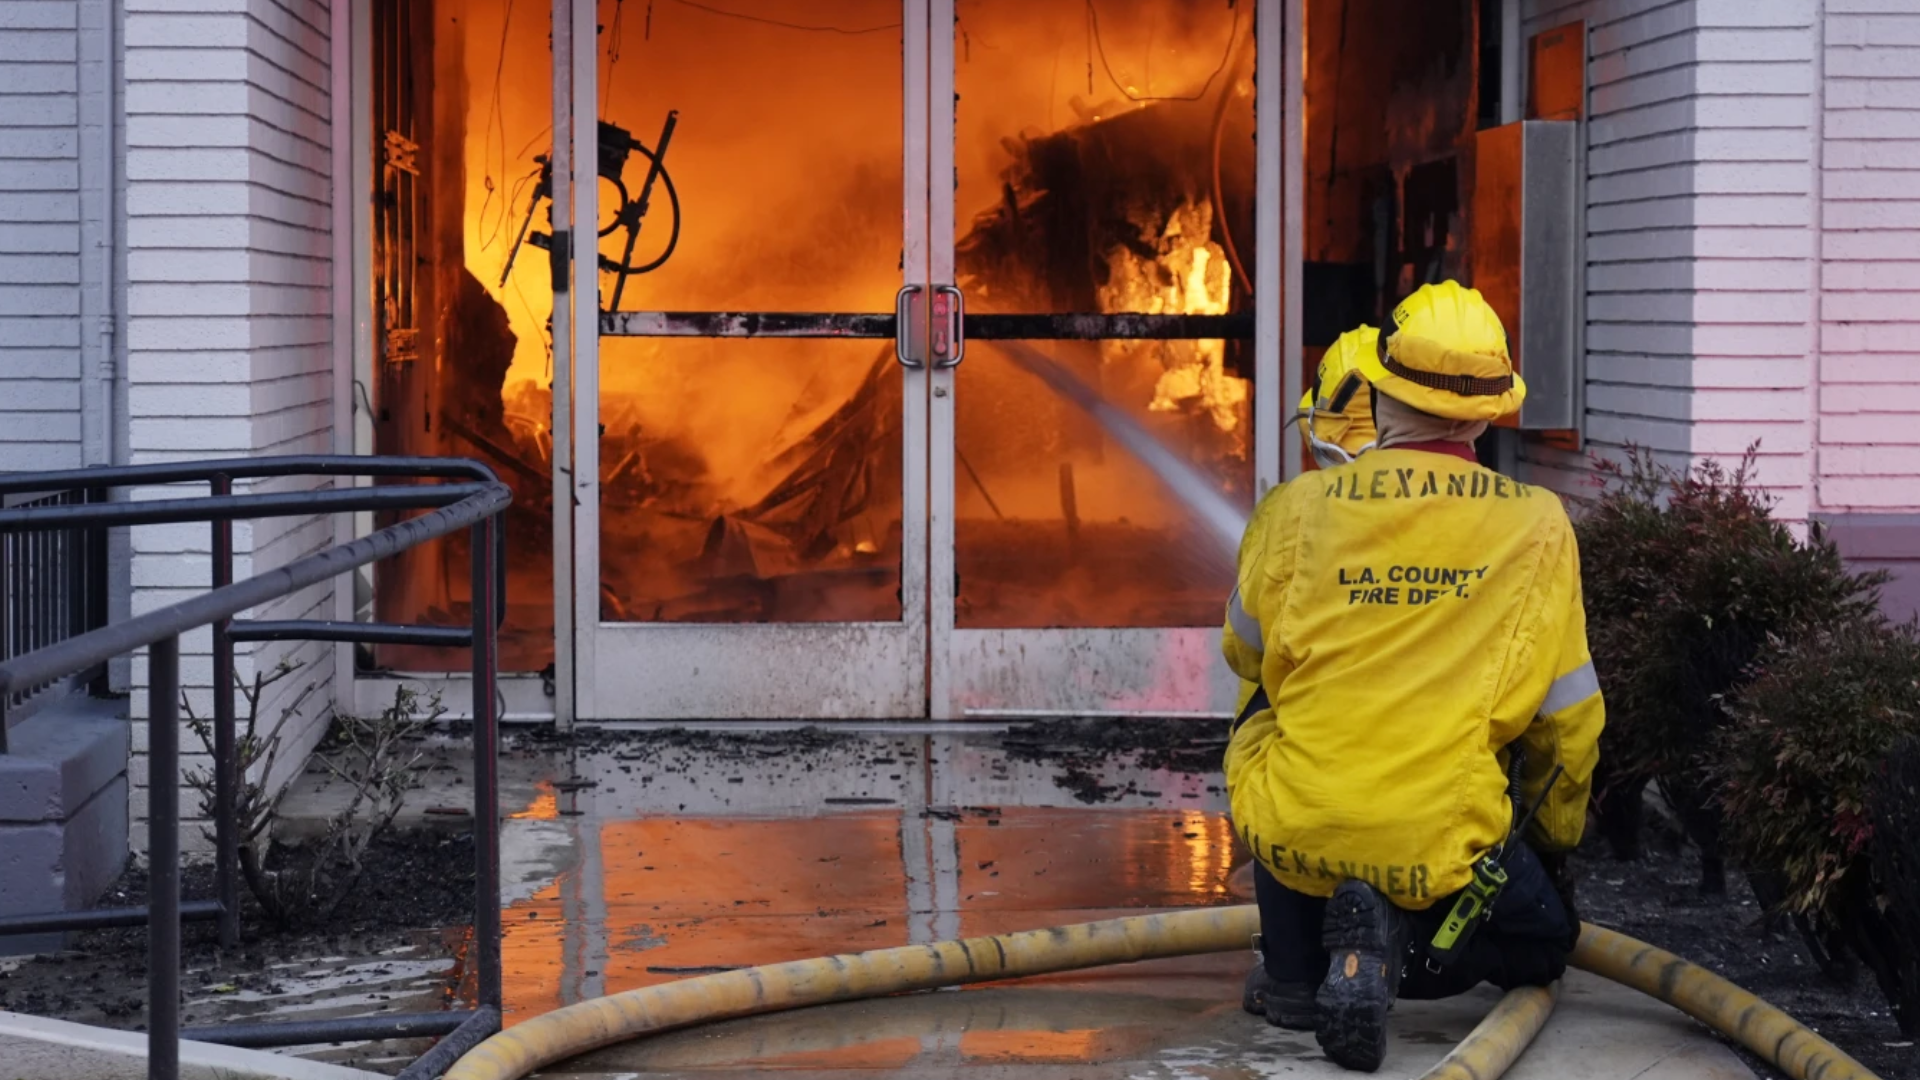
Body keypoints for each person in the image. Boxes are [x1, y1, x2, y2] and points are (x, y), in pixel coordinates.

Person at [1221, 281, 1604, 1072]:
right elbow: (1569, 724)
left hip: (1297, 826)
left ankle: (1296, 974)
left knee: (1264, 715)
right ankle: (1396, 947)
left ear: (1381, 389)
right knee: (1544, 947)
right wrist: (1553, 844)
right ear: (1484, 413)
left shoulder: (1297, 507)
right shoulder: (1536, 523)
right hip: (1444, 842)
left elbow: (1246, 653)